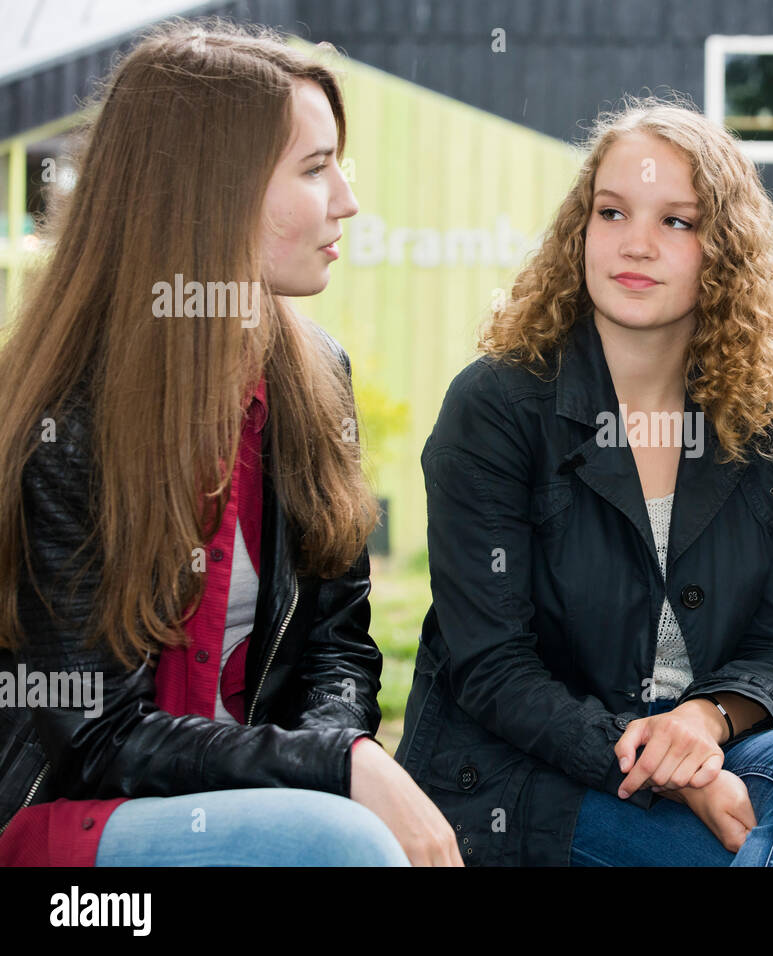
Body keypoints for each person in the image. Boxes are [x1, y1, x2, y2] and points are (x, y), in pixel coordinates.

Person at [0, 21, 459, 867]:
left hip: (244, 803)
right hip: (72, 820)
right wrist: (334, 770)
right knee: (342, 847)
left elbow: (341, 649)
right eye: (316, 169)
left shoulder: (317, 373)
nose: (347, 202)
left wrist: (337, 753)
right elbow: (94, 738)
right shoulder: (65, 416)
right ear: (213, 190)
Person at [397, 96, 773, 866]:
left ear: (725, 250)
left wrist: (703, 721)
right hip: (522, 774)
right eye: (612, 212)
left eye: (676, 222)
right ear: (580, 230)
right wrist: (670, 772)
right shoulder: (496, 405)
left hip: (701, 752)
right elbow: (493, 668)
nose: (635, 244)